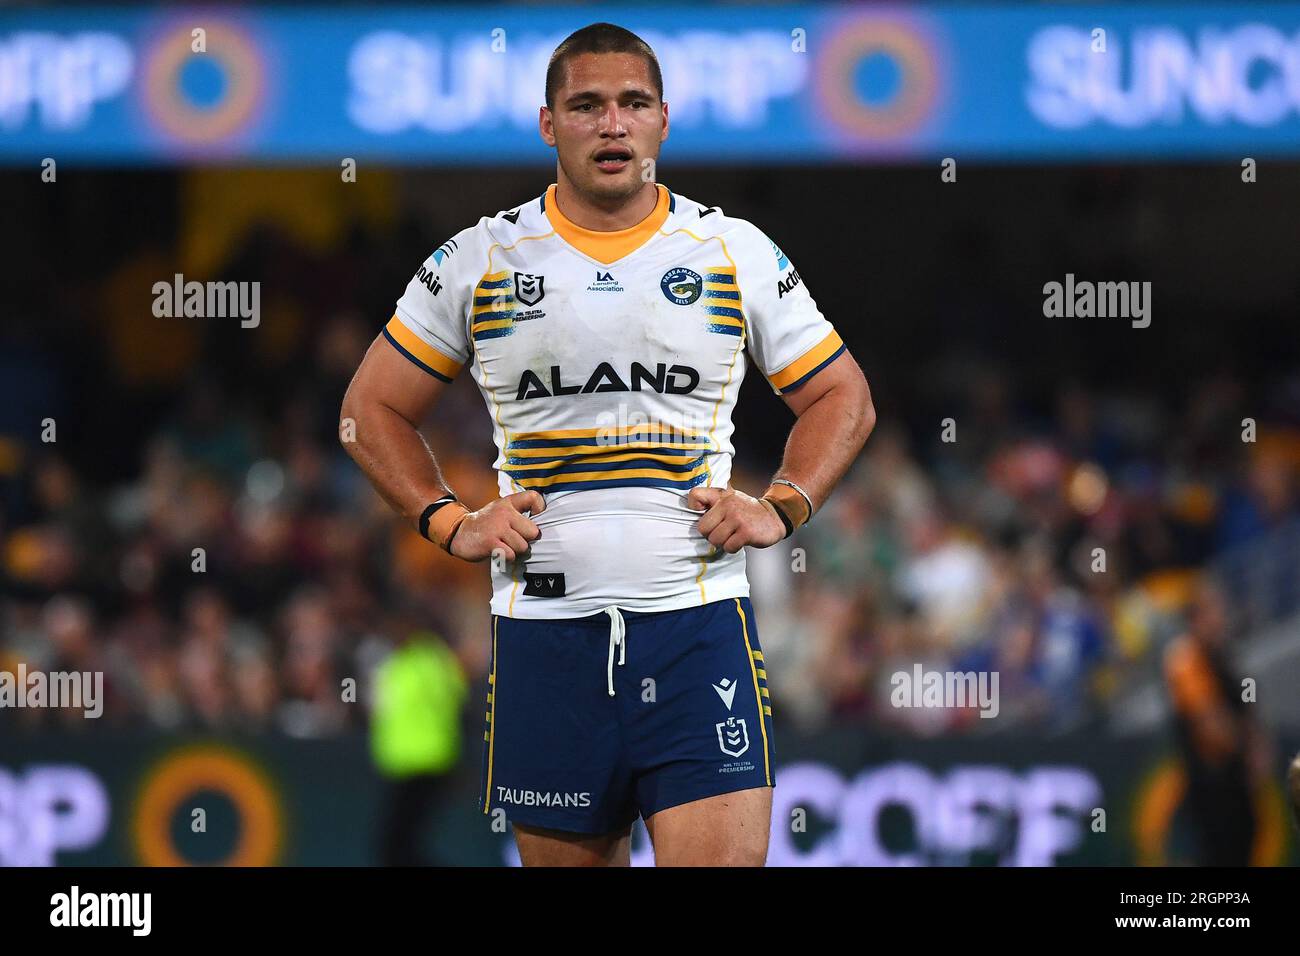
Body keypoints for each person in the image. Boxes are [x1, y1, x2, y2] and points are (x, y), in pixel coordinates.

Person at [341, 23, 874, 866]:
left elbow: (843, 394)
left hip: (698, 630)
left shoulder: (730, 250)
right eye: (586, 105)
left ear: (664, 118)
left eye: (632, 104)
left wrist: (785, 504)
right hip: (545, 636)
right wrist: (448, 521)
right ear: (549, 123)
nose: (613, 124)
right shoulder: (482, 258)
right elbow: (367, 410)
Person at [1162, 577, 1268, 865]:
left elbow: (1248, 709)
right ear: (1196, 617)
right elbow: (1209, 722)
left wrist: (1256, 749)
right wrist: (1245, 747)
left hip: (1236, 785)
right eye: (1214, 610)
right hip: (1211, 785)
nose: (1221, 617)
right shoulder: (1185, 659)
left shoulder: (1225, 656)